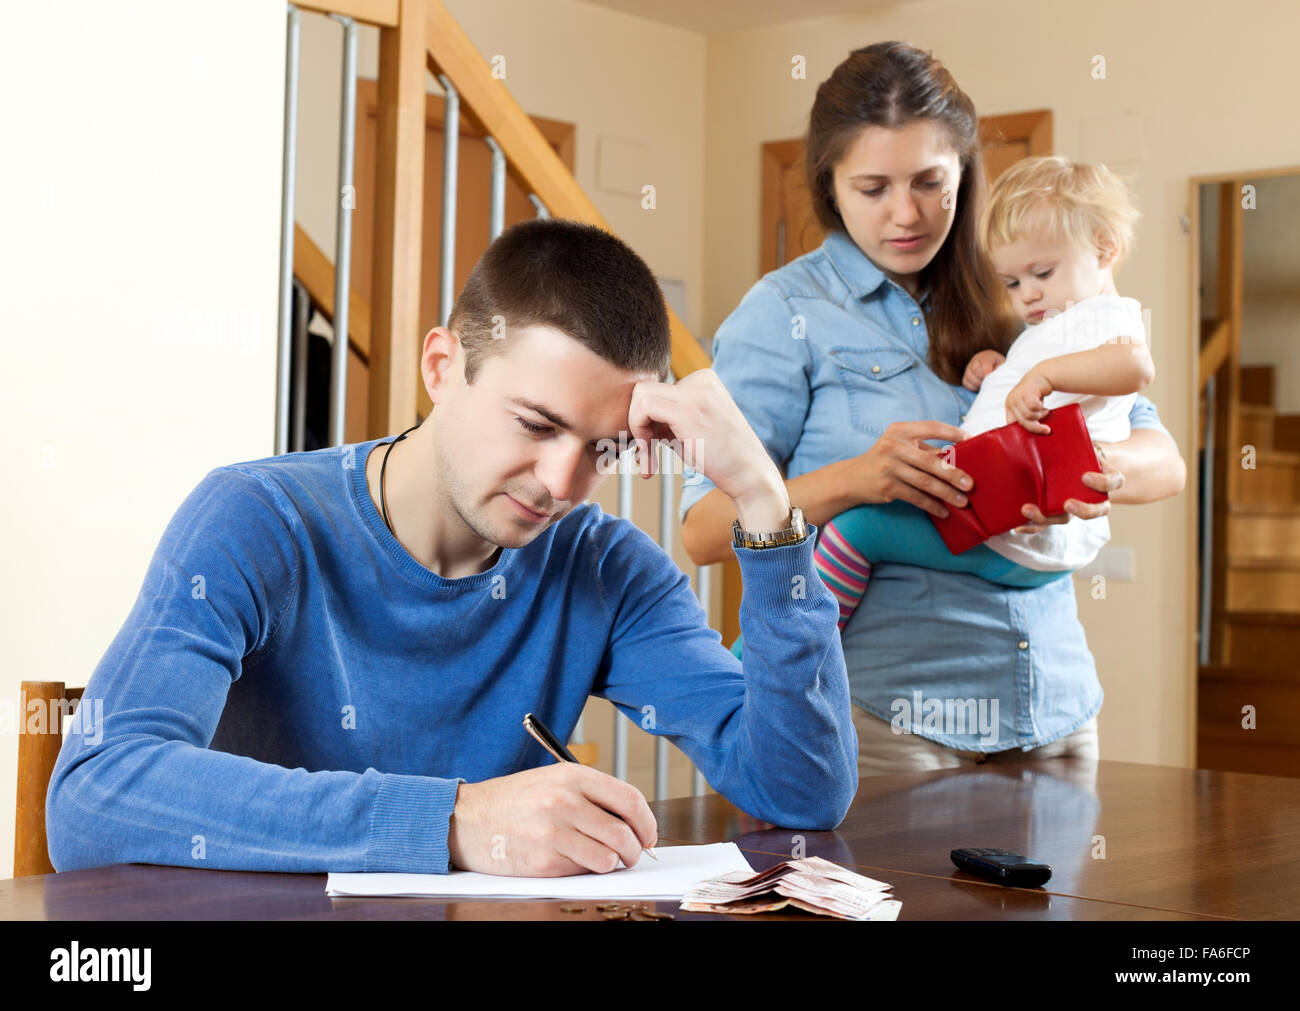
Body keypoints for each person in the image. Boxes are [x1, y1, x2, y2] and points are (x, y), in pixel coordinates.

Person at [46, 219, 856, 877]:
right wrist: (455, 816)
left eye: (604, 448)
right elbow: (96, 792)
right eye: (536, 425)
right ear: (443, 365)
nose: (562, 481)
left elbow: (801, 790)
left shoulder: (608, 569)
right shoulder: (255, 518)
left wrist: (763, 499)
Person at [681, 42, 1185, 774]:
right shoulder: (784, 312)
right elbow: (701, 533)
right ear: (829, 183)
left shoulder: (1025, 285)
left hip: (1056, 709)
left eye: (929, 181)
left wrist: (1081, 470)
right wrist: (858, 479)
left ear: (964, 172)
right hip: (889, 727)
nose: (906, 213)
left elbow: (1160, 458)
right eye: (873, 187)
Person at [734, 155, 1156, 641]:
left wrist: (1042, 373)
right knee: (862, 525)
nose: (1028, 297)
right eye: (1014, 283)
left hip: (1021, 528)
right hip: (1006, 515)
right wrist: (998, 371)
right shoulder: (1056, 324)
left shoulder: (1106, 315)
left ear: (1105, 248)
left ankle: (782, 657)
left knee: (856, 531)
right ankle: (785, 655)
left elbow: (1135, 366)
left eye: (1042, 273)